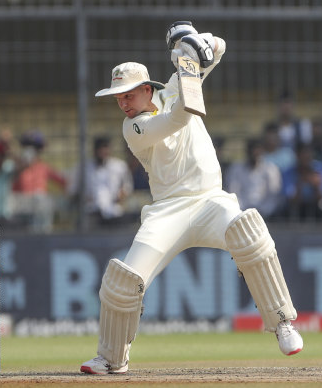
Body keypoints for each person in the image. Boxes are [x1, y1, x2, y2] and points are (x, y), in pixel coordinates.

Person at [80, 21, 303, 375]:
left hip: (212, 201)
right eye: (118, 97)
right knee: (123, 280)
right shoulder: (133, 127)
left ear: (146, 87)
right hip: (167, 212)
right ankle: (112, 359)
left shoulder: (172, 87)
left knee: (250, 231)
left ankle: (282, 323)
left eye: (128, 94)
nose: (122, 103)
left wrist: (194, 43)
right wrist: (187, 62)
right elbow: (180, 117)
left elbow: (221, 46)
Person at [68, 136, 134, 226]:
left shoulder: (119, 166)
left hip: (114, 211)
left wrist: (121, 196)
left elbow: (127, 187)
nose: (103, 151)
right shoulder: (83, 167)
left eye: (105, 148)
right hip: (91, 211)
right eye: (100, 148)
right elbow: (73, 190)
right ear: (95, 150)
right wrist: (83, 198)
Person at [11, 130, 67, 232]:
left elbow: (64, 182)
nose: (30, 150)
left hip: (39, 215)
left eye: (35, 148)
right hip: (21, 212)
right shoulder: (16, 167)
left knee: (42, 200)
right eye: (27, 146)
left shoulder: (43, 167)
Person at [225, 138, 282, 220]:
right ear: (247, 152)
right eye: (253, 151)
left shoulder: (271, 169)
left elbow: (273, 195)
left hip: (266, 215)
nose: (255, 154)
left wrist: (262, 212)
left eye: (258, 152)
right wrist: (244, 212)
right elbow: (233, 192)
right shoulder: (235, 169)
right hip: (241, 213)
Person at [281, 143, 322, 222]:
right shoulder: (288, 172)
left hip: (316, 206)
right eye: (303, 155)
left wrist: (315, 186)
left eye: (308, 156)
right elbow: (290, 199)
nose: (306, 159)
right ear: (297, 156)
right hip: (296, 207)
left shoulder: (321, 169)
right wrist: (301, 183)